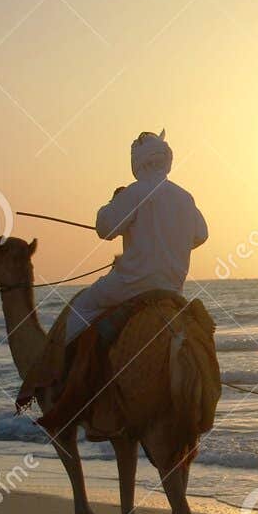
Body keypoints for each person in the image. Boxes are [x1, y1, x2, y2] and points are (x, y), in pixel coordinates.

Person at [35, 130, 209, 434]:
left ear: (137, 161)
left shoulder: (134, 192)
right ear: (166, 160)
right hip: (172, 290)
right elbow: (201, 235)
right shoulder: (185, 197)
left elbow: (105, 228)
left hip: (131, 286)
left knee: (80, 309)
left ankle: (65, 388)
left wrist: (114, 202)